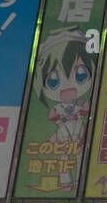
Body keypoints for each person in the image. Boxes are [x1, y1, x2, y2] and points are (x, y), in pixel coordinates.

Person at [33, 29, 96, 191]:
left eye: (81, 76)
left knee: (81, 156)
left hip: (78, 134)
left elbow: (83, 115)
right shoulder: (57, 108)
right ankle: (66, 182)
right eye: (53, 81)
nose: (68, 88)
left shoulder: (82, 104)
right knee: (63, 158)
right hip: (63, 136)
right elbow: (56, 120)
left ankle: (81, 181)